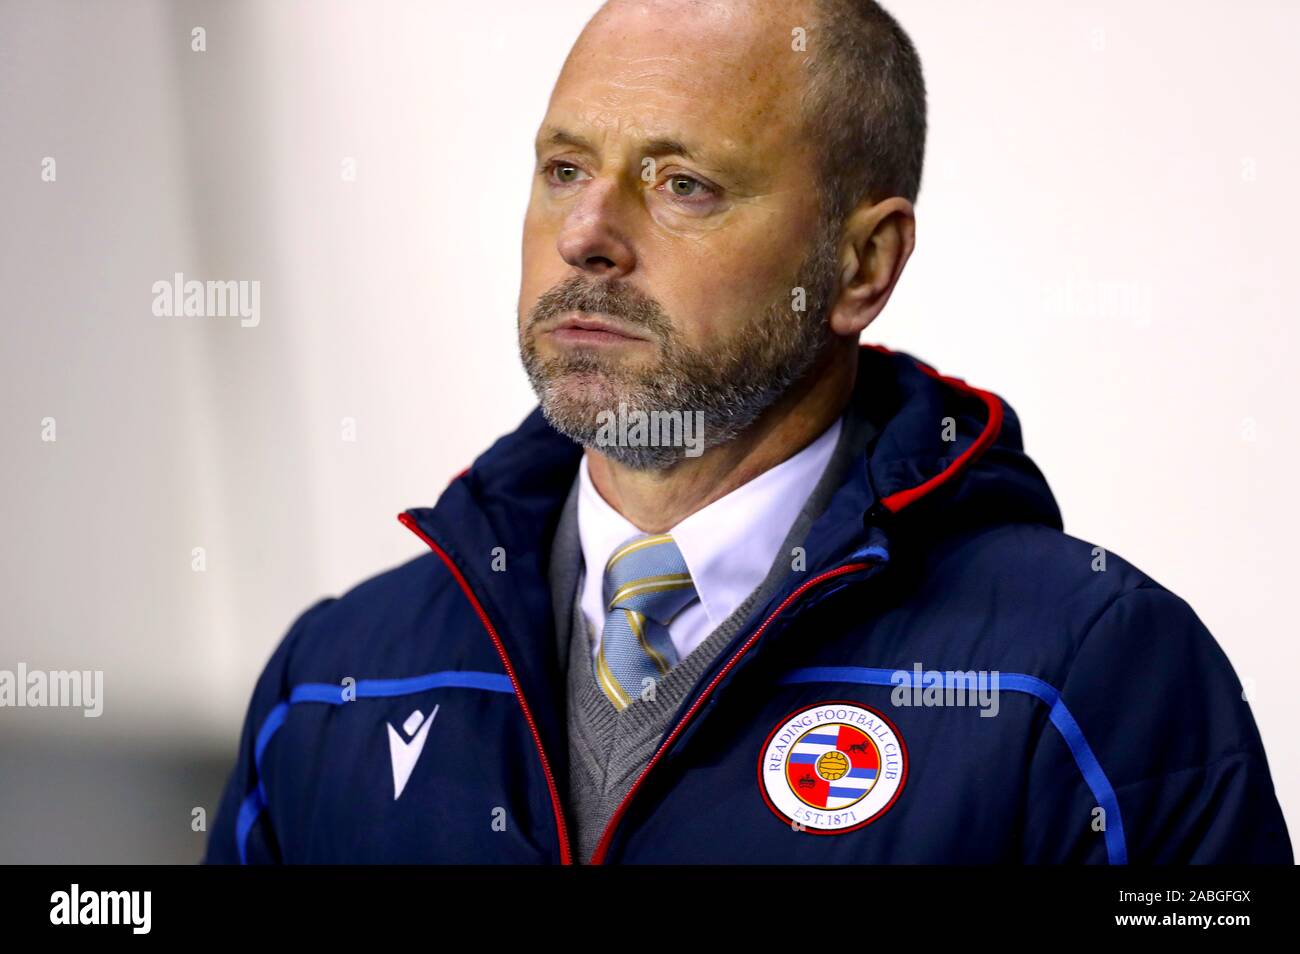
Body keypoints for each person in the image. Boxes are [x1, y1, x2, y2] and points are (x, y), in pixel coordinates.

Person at [205, 0, 1292, 864]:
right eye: (564, 169)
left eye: (682, 185)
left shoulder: (1086, 675)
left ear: (861, 266)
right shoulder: (336, 681)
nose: (586, 236)